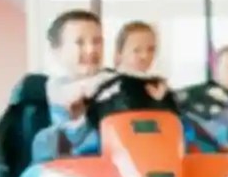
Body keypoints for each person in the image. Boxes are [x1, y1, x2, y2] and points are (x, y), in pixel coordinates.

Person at [32, 10, 168, 161]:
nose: (91, 50)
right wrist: (78, 120)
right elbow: (71, 143)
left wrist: (160, 102)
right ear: (56, 50)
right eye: (80, 42)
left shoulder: (118, 80)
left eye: (97, 41)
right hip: (85, 167)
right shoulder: (58, 90)